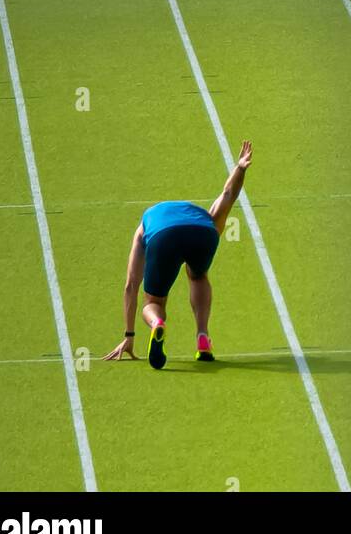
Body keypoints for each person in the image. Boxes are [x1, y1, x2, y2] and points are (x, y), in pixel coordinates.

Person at [104, 141, 253, 369]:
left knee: (153, 301)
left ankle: (157, 324)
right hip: (203, 234)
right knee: (198, 275)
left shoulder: (145, 224)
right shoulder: (209, 218)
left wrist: (129, 335)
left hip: (163, 234)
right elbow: (227, 194)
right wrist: (240, 168)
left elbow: (130, 285)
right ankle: (202, 337)